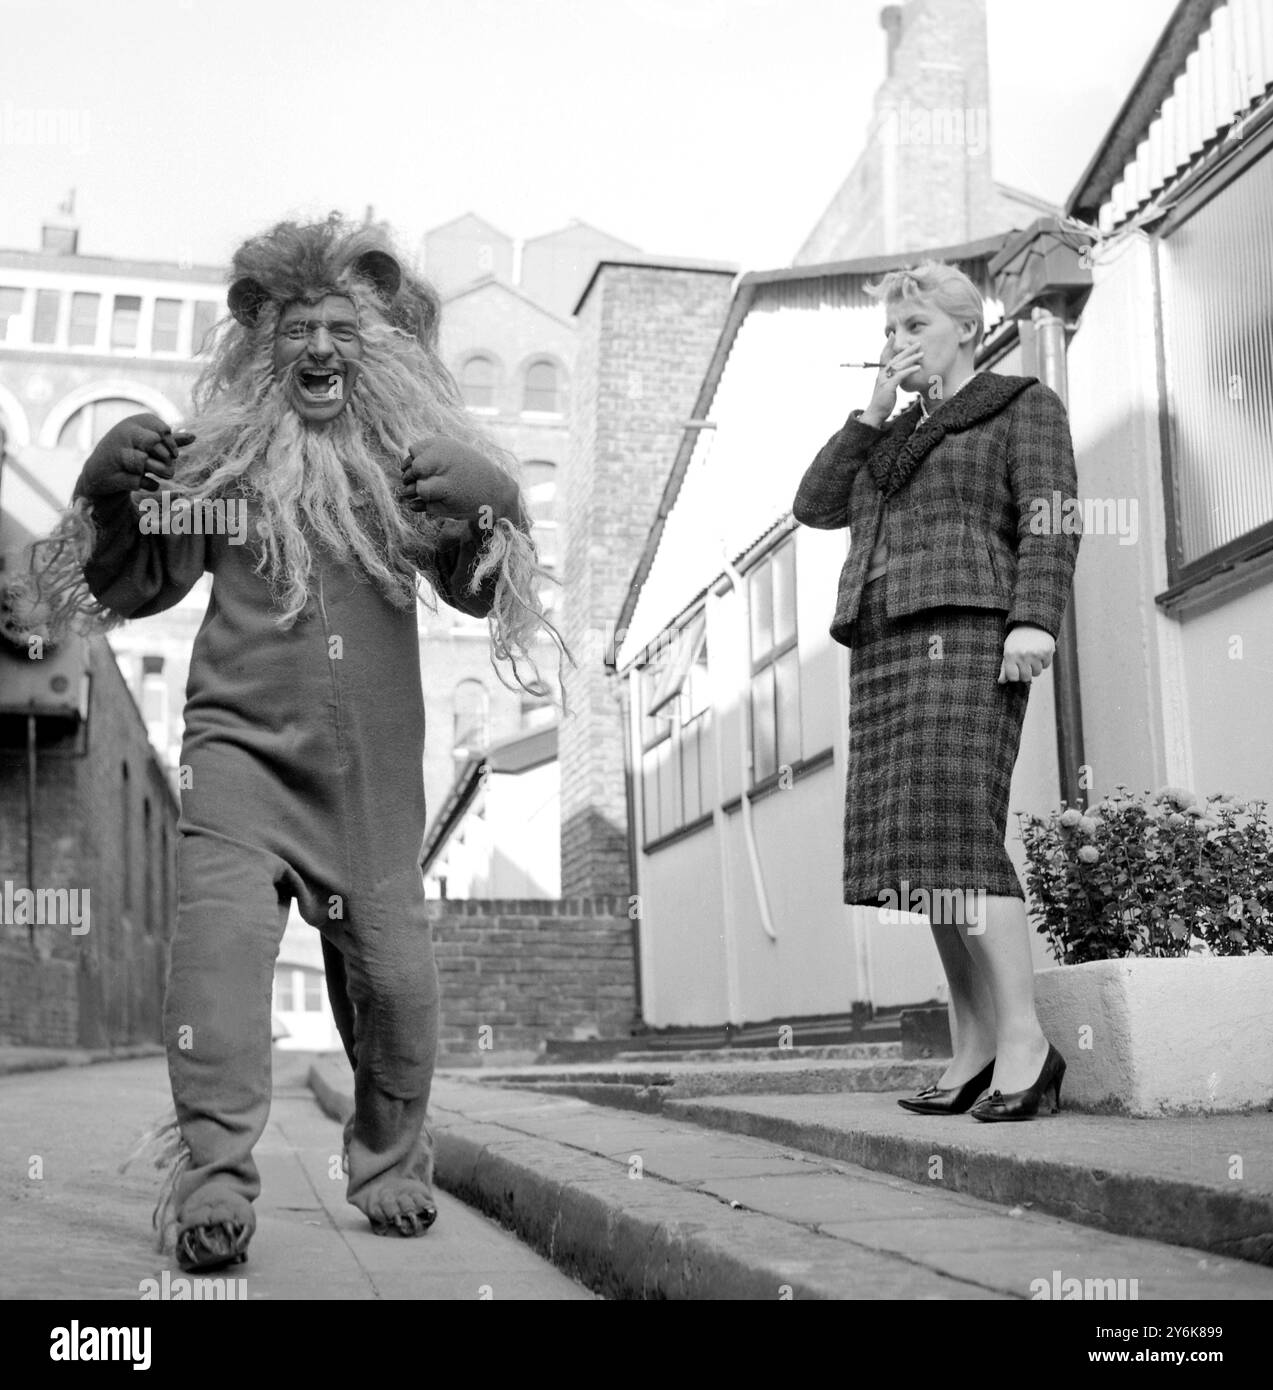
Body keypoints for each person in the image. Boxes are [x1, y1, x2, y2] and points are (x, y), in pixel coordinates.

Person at [12, 213, 566, 1269]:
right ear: (261, 345)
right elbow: (130, 584)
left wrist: (498, 505)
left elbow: (482, 586)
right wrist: (107, 492)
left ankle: (393, 1161)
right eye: (297, 328)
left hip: (369, 790)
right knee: (213, 975)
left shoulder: (405, 475)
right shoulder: (220, 468)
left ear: (380, 344)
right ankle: (213, 1185)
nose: (318, 348)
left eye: (341, 329)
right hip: (237, 767)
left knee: (398, 988)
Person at [792, 261, 1080, 1122]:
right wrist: (871, 412)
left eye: (913, 327)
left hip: (965, 636)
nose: (896, 343)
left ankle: (1026, 1042)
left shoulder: (1021, 404)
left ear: (964, 325)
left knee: (957, 836)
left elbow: (1053, 514)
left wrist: (1035, 620)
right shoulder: (888, 438)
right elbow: (813, 505)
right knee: (919, 864)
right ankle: (976, 1048)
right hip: (883, 647)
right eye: (888, 331)